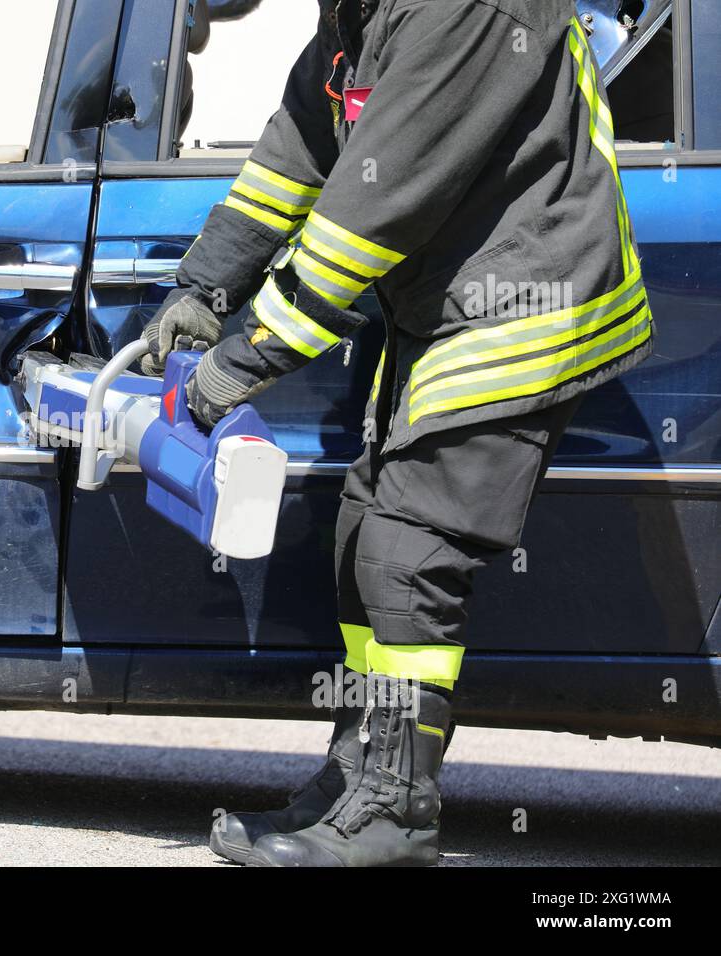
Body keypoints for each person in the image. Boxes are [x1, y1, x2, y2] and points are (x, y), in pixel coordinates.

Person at [142, 0, 652, 867]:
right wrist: (207, 284)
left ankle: (398, 812)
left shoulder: (468, 8)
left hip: (528, 301)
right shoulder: (359, 8)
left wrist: (253, 354)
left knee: (408, 556)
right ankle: (357, 781)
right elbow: (303, 143)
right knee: (360, 540)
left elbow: (374, 203)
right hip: (447, 306)